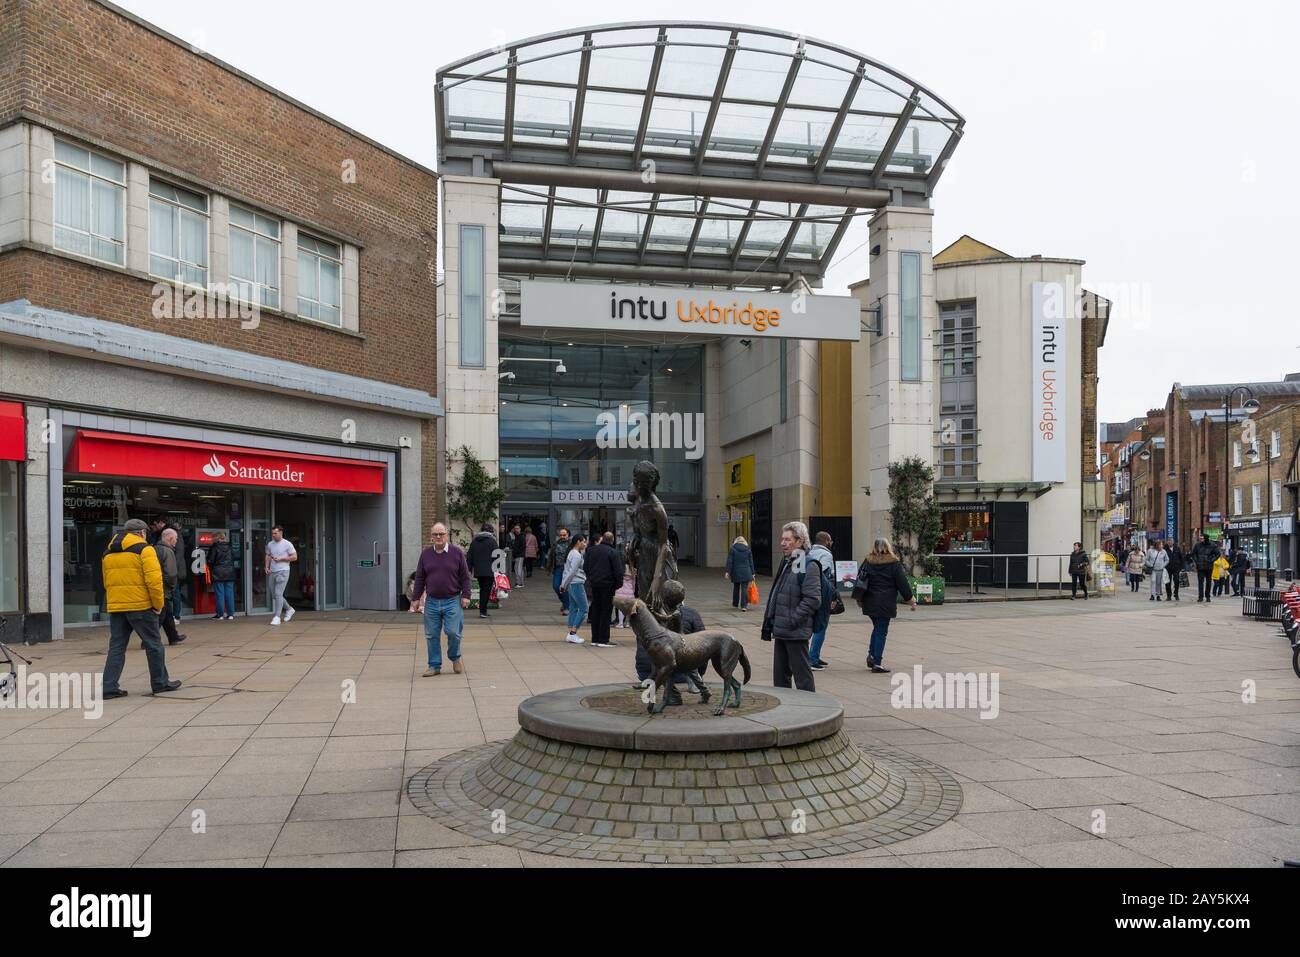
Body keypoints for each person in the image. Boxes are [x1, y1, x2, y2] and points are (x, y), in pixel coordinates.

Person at [101, 518, 181, 698]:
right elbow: (154, 581)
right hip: (141, 606)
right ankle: (160, 683)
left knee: (116, 647)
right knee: (154, 645)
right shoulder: (145, 550)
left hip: (117, 607)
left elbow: (107, 582)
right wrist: (158, 604)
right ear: (142, 533)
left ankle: (108, 687)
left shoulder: (108, 552)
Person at [760, 521, 821, 692]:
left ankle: (811, 708)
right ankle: (785, 707)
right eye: (782, 539)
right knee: (780, 677)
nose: (782, 543)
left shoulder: (807, 564)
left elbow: (812, 599)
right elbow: (782, 591)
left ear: (800, 541)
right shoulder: (790, 561)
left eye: (787, 539)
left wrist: (793, 620)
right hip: (782, 629)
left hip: (795, 630)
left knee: (802, 677)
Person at [410, 522, 472, 676]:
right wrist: (416, 598)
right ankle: (434, 666)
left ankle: (455, 657)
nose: (438, 537)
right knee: (431, 635)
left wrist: (466, 596)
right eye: (435, 534)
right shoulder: (425, 555)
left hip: (452, 600)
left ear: (447, 535)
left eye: (441, 534)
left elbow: (465, 577)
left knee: (453, 632)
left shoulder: (456, 553)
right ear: (431, 536)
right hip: (431, 601)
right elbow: (419, 577)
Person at [852, 538, 916, 674]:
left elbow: (859, 578)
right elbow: (902, 584)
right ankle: (877, 663)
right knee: (881, 630)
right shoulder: (894, 563)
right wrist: (910, 599)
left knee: (877, 628)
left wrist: (859, 598)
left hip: (869, 601)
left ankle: (871, 655)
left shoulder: (868, 562)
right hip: (886, 602)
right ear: (888, 547)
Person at [807, 531, 836, 671]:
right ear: (826, 541)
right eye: (830, 540)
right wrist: (832, 596)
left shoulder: (809, 552)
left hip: (810, 593)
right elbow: (824, 575)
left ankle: (814, 655)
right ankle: (812, 658)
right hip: (823, 594)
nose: (831, 543)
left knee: (813, 624)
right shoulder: (826, 555)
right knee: (821, 626)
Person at [155, 528, 189, 645]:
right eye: (176, 539)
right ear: (170, 539)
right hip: (164, 588)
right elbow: (171, 573)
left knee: (168, 615)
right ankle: (148, 640)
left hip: (158, 586)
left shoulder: (155, 549)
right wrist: (172, 587)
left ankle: (173, 636)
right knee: (161, 616)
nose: (176, 541)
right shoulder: (168, 551)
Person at [264, 525, 297, 625]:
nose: (273, 535)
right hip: (273, 571)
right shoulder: (270, 544)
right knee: (274, 595)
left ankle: (277, 617)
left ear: (281, 533)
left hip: (283, 571)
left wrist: (282, 559)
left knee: (278, 593)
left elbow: (295, 557)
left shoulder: (287, 544)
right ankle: (290, 609)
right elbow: (268, 555)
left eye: (275, 533)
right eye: (272, 533)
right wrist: (266, 567)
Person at [560, 534, 589, 644]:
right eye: (584, 542)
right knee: (584, 608)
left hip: (572, 584)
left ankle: (571, 633)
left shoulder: (572, 553)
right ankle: (573, 633)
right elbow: (572, 572)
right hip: (576, 583)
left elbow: (567, 570)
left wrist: (564, 584)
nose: (585, 544)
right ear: (578, 542)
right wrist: (563, 584)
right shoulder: (576, 555)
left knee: (573, 608)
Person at [466, 523, 498, 619]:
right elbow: (497, 556)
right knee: (486, 591)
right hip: (489, 571)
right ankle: (483, 611)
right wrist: (499, 570)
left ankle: (483, 610)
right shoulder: (492, 542)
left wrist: (469, 569)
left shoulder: (474, 542)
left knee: (482, 590)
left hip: (479, 571)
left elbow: (469, 556)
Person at [207, 531, 236, 620]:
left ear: (217, 538)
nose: (212, 539)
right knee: (229, 594)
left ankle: (220, 615)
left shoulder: (215, 547)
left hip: (218, 573)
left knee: (220, 594)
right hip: (230, 572)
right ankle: (231, 614)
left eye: (213, 538)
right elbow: (233, 557)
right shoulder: (230, 546)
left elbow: (210, 560)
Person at [546, 527, 573, 615]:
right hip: (558, 568)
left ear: (568, 535)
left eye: (564, 535)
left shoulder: (572, 544)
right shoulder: (556, 544)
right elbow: (551, 557)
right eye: (560, 535)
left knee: (565, 588)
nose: (562, 536)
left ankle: (568, 607)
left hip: (568, 569)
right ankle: (565, 603)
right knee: (556, 586)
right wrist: (548, 568)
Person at [725, 535, 756, 610]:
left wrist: (727, 572)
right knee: (744, 588)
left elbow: (730, 561)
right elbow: (751, 562)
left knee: (736, 587)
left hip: (736, 571)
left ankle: (735, 604)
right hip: (746, 571)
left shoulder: (732, 549)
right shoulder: (748, 549)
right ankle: (744, 606)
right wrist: (753, 573)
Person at [1191, 533, 1220, 603]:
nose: (1200, 539)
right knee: (1200, 582)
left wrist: (1211, 560)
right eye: (1200, 538)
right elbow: (1194, 554)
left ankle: (1207, 596)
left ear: (1206, 538)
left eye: (1202, 538)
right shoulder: (1197, 545)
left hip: (1209, 566)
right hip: (1200, 566)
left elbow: (1218, 554)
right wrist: (1197, 561)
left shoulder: (1212, 545)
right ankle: (1200, 597)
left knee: (1208, 582)